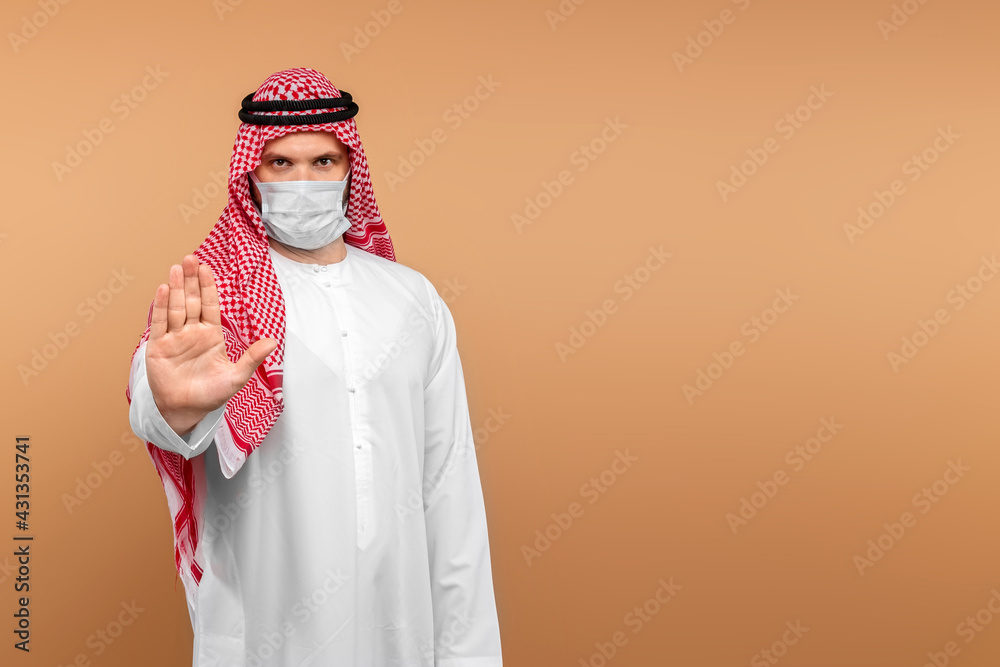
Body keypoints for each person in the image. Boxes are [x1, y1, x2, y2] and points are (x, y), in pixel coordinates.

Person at [125, 67, 503, 666]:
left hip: (401, 634)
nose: (303, 180)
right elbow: (162, 406)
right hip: (262, 634)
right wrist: (170, 403)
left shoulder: (412, 299)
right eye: (281, 164)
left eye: (322, 162)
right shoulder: (216, 293)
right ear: (250, 172)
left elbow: (451, 492)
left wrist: (469, 657)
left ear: (351, 167)